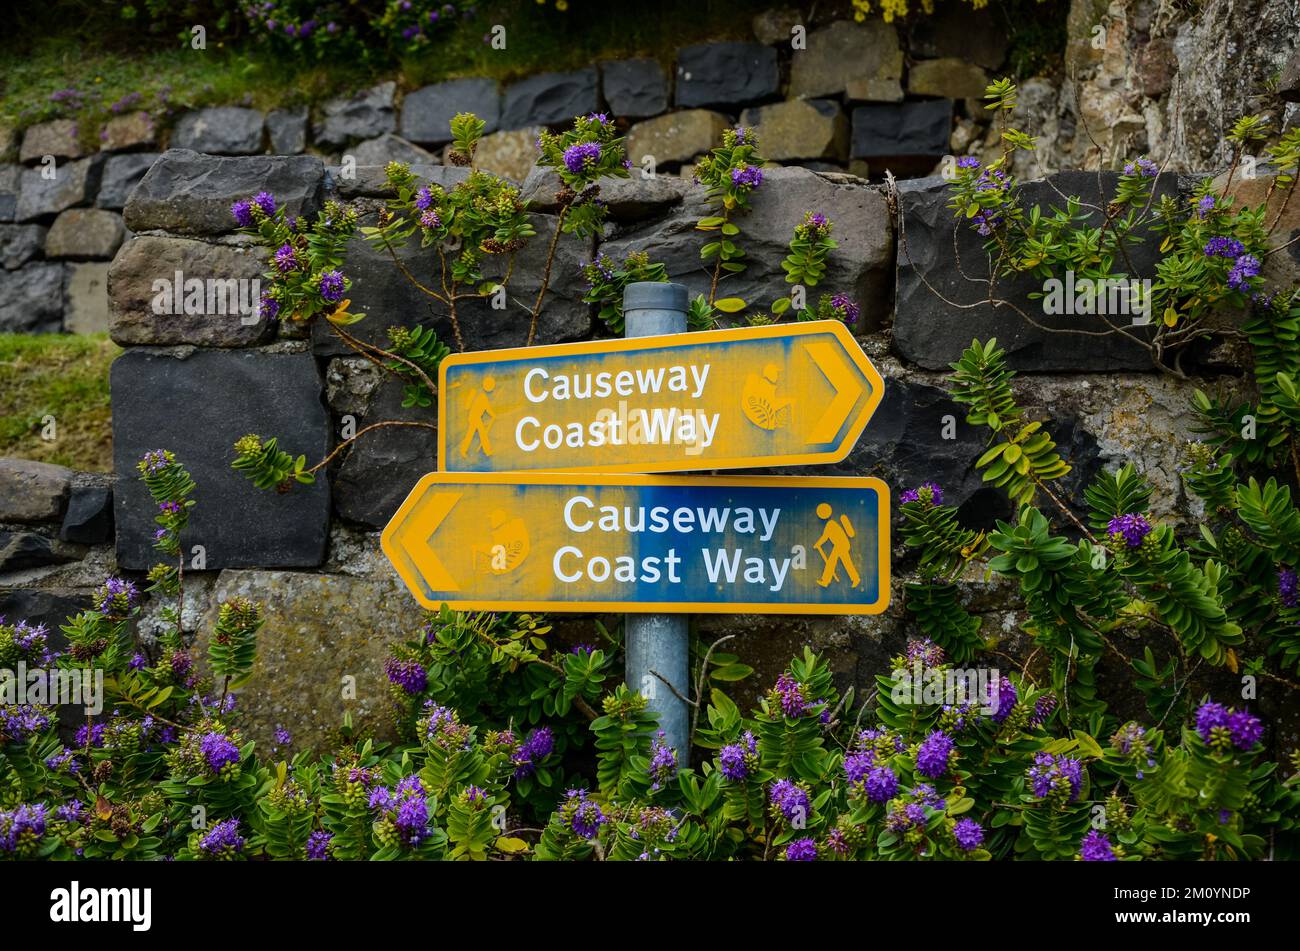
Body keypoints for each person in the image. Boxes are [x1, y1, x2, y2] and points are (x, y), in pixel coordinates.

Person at [813, 502, 860, 588]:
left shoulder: (830, 524)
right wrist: (817, 544)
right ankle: (855, 578)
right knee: (845, 562)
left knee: (832, 561)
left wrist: (817, 544)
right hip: (841, 545)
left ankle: (826, 580)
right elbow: (825, 537)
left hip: (841, 545)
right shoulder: (831, 523)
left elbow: (824, 537)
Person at [460, 375, 497, 458]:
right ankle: (487, 450)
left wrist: (494, 415)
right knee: (479, 433)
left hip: (476, 417)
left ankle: (486, 450)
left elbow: (487, 409)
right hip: (474, 417)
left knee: (475, 433)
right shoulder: (475, 393)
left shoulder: (484, 397)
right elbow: (467, 406)